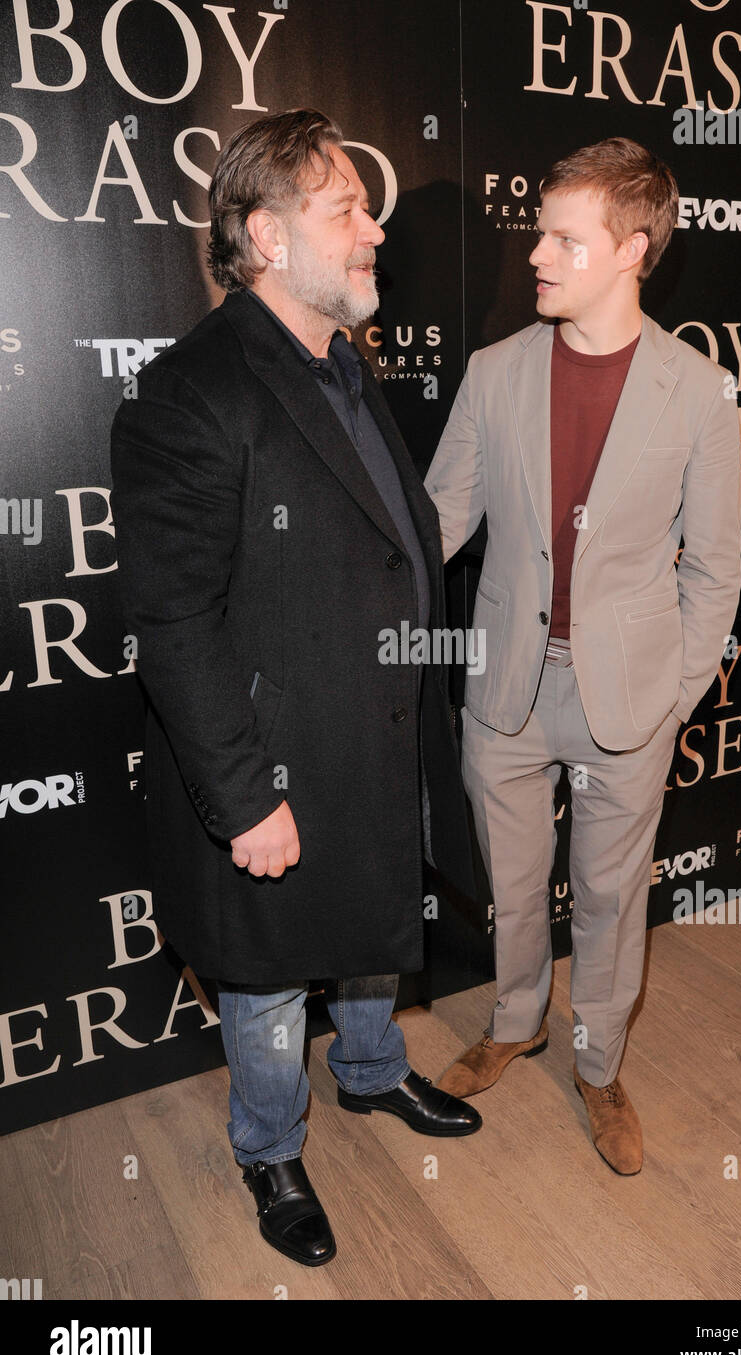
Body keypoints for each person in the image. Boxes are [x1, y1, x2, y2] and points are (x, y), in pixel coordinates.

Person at [110, 108, 480, 1267]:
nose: (375, 228)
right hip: (272, 759)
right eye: (346, 209)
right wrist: (242, 799)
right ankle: (269, 1144)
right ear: (267, 236)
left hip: (370, 728)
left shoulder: (342, 362)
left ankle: (370, 1073)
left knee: (371, 920)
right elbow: (174, 620)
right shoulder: (192, 391)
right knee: (269, 979)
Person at [425, 137, 741, 1175]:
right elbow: (436, 524)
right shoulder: (491, 371)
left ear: (632, 248)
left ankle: (600, 1066)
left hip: (628, 700)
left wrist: (672, 695)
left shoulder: (698, 393)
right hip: (505, 693)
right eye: (540, 231)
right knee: (514, 889)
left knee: (610, 898)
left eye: (565, 237)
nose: (536, 254)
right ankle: (516, 1021)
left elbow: (715, 571)